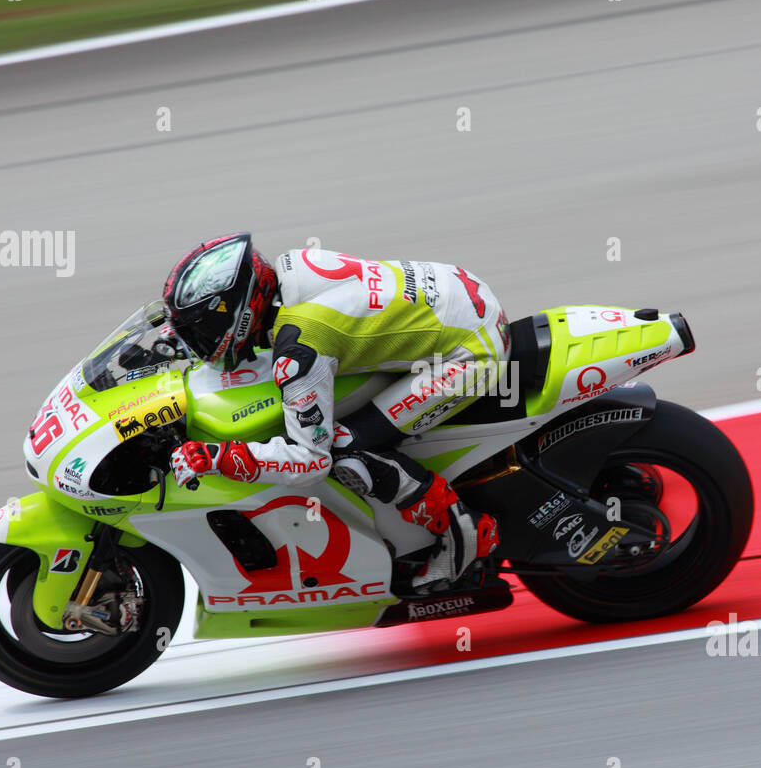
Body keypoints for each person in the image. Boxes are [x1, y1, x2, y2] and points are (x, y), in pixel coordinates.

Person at [162, 233, 507, 594]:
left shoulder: (301, 347)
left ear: (240, 315)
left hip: (470, 352)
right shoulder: (290, 267)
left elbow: (311, 461)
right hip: (463, 291)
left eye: (200, 332)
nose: (196, 342)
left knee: (346, 449)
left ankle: (461, 532)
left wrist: (220, 456)